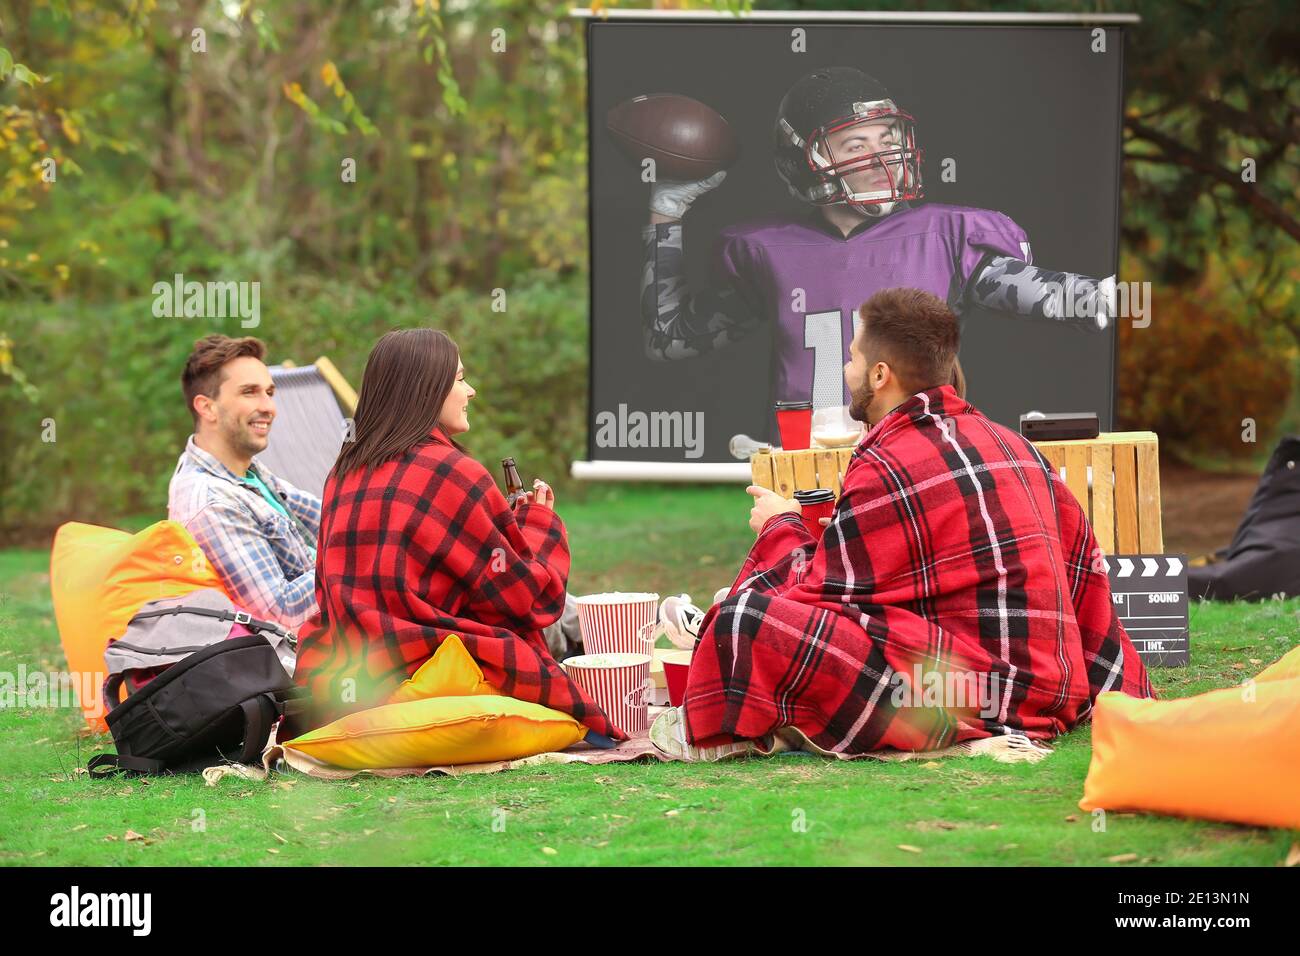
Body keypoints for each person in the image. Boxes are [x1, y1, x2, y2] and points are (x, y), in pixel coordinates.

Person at [651, 287, 1153, 760]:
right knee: (759, 614)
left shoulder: (888, 461)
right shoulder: (1012, 445)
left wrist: (781, 527)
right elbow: (1082, 567)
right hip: (1056, 687)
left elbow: (823, 595)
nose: (846, 369)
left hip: (968, 693)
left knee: (745, 621)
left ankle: (718, 690)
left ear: (879, 375)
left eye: (852, 358)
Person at [641, 66, 1112, 428]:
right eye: (855, 146)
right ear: (806, 160)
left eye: (887, 140)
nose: (880, 158)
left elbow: (1070, 297)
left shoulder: (944, 238)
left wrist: (1121, 299)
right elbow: (669, 341)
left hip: (919, 467)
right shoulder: (767, 251)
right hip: (807, 473)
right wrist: (667, 213)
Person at [287, 329, 619, 739]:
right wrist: (538, 525)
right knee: (579, 711)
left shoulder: (342, 473)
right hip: (432, 671)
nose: (471, 390)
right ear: (426, 390)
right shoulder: (453, 473)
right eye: (460, 379)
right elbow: (528, 600)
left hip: (349, 679)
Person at [168, 334, 321, 632]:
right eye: (250, 392)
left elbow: (333, 517)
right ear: (207, 407)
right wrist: (356, 559)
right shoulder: (212, 501)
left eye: (270, 392)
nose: (269, 407)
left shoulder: (248, 474)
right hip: (314, 655)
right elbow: (282, 613)